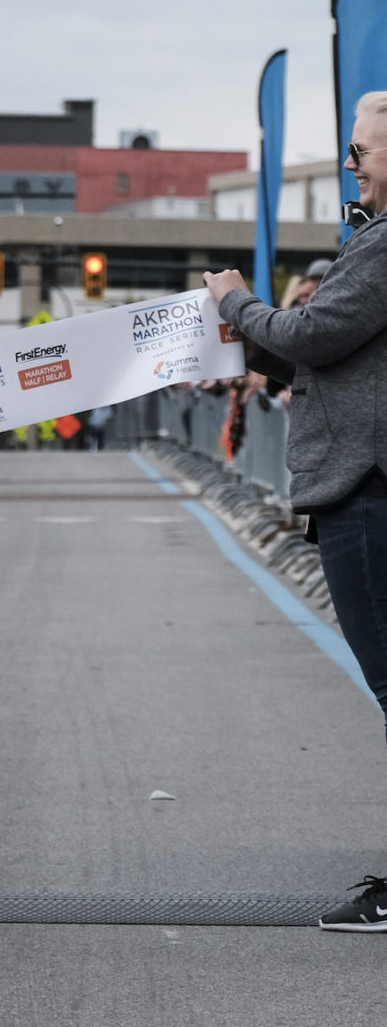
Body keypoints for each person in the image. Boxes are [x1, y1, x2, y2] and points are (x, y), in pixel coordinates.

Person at [205, 90, 387, 933]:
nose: (350, 165)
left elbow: (315, 339)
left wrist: (234, 302)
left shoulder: (381, 249)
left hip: (366, 491)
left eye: (360, 151)